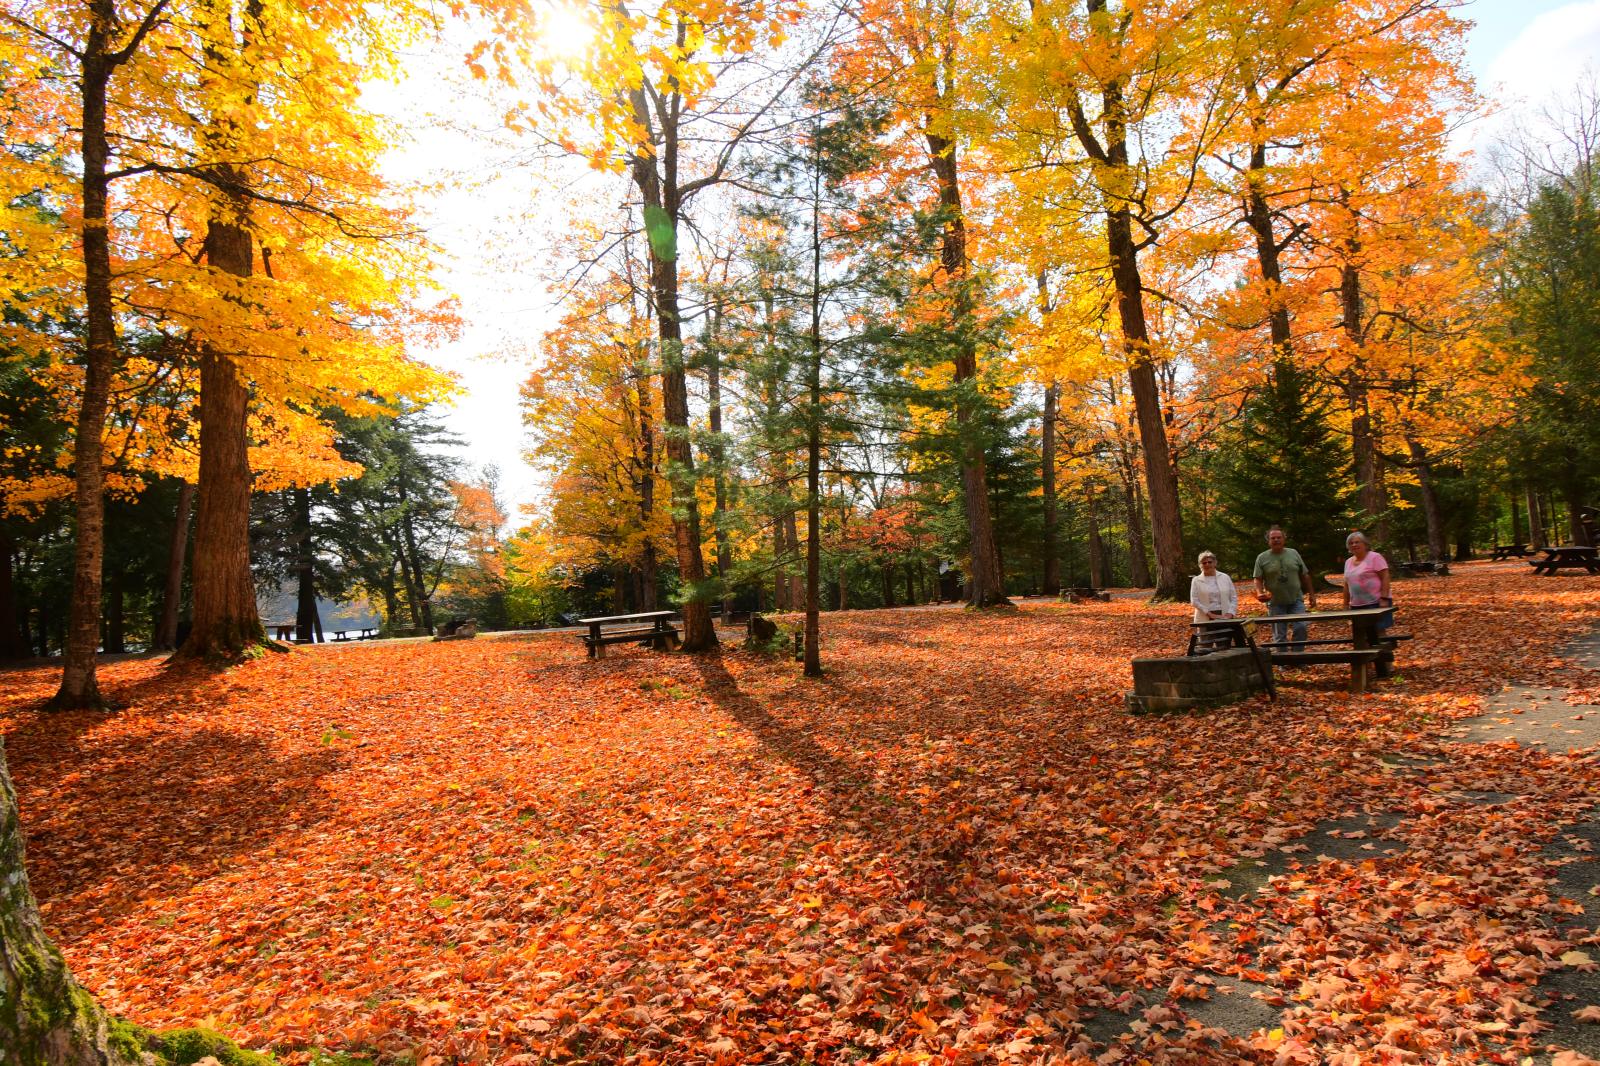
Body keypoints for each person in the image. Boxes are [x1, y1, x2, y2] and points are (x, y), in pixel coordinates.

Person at [1253, 525, 1316, 648]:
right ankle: (1283, 661)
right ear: (1268, 541)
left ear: (1284, 539)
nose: (1276, 540)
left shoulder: (1293, 553)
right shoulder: (1262, 557)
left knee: (1301, 626)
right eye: (1273, 538)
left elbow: (1305, 575)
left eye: (1279, 537)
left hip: (1296, 599)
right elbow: (1258, 578)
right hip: (1275, 601)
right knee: (1279, 634)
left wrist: (1312, 595)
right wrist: (1260, 592)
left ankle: (1298, 658)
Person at [1341, 531, 1393, 626]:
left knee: (1378, 632)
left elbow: (1385, 577)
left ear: (1365, 544)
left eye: (1357, 542)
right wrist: (1345, 604)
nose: (1354, 545)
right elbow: (1346, 584)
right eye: (1351, 543)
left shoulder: (1375, 557)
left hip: (1376, 602)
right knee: (1361, 633)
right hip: (1356, 605)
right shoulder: (1348, 562)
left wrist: (1384, 598)